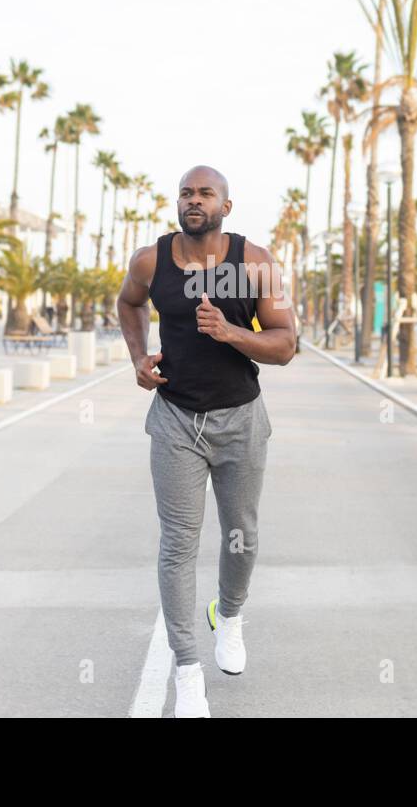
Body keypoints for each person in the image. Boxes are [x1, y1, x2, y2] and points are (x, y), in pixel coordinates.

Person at [117, 165, 296, 717]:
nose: (194, 201)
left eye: (205, 193)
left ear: (226, 206)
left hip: (241, 419)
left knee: (242, 535)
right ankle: (188, 671)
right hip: (175, 419)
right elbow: (128, 304)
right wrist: (138, 359)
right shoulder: (153, 259)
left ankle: (231, 615)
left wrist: (231, 333)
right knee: (178, 543)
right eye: (186, 193)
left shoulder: (256, 262)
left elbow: (287, 344)